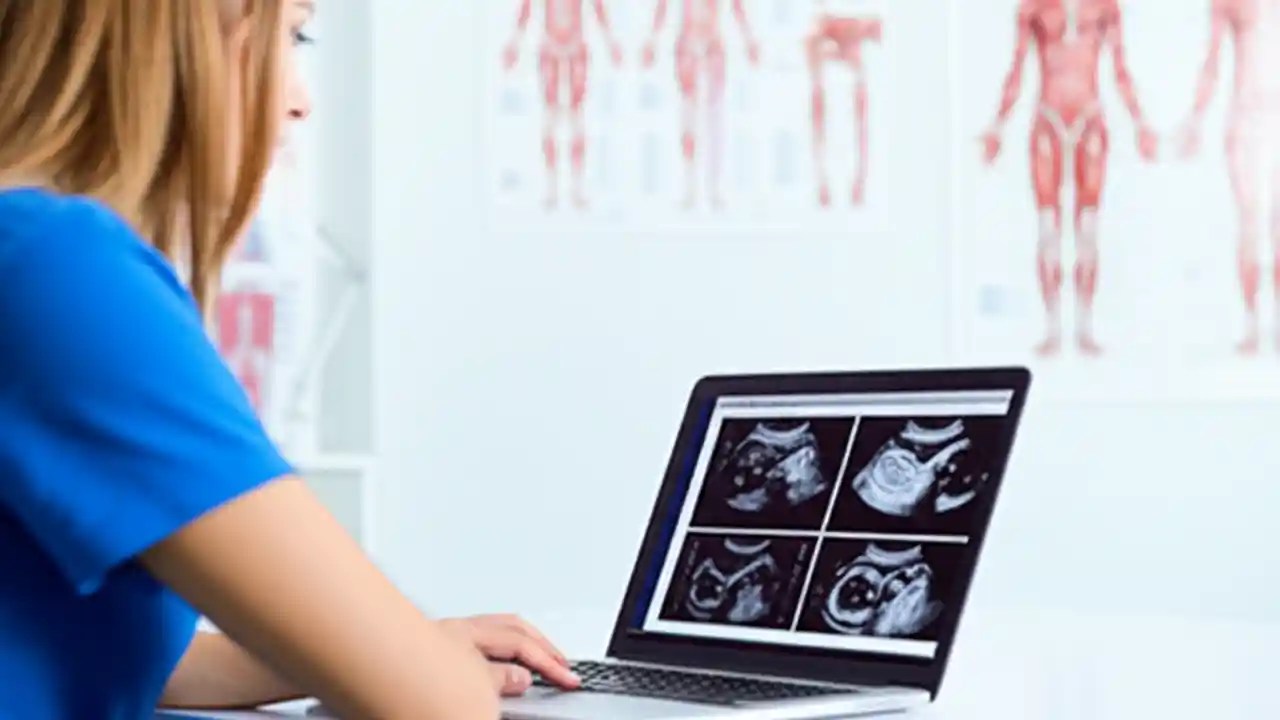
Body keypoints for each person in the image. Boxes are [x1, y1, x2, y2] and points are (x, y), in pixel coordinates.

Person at [0, 1, 578, 718]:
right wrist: (408, 664)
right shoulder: (51, 268)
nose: (301, 101)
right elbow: (435, 707)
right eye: (291, 34)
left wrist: (382, 648)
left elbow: (88, 649)